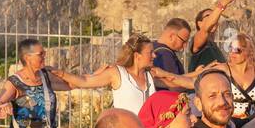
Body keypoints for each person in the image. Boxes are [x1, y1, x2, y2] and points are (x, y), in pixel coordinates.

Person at [59, 35, 200, 113]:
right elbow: (84, 81)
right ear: (137, 56)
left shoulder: (150, 75)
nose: (154, 56)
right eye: (150, 52)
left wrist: (203, 77)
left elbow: (178, 82)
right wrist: (60, 73)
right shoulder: (116, 73)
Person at [188, 0, 238, 69]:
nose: (213, 18)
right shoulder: (197, 39)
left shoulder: (214, 47)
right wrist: (223, 3)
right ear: (199, 23)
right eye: (208, 16)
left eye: (214, 16)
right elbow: (206, 28)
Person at [151, 18, 193, 82]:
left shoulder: (152, 46)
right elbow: (175, 82)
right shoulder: (165, 54)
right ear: (172, 36)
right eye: (183, 41)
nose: (185, 46)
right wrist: (201, 73)